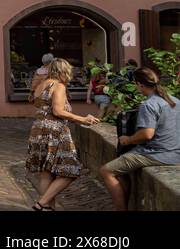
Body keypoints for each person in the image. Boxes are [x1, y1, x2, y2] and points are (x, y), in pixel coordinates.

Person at [98, 67, 180, 210]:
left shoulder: (148, 104)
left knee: (107, 171)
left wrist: (128, 139)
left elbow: (147, 134)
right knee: (122, 169)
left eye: (136, 84)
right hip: (175, 151)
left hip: (158, 154)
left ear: (140, 84)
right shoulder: (175, 100)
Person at [27, 58, 98, 210]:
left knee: (47, 171)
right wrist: (82, 119)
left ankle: (47, 208)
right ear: (63, 71)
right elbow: (58, 111)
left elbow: (36, 103)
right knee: (70, 171)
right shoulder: (58, 86)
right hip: (54, 131)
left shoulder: (41, 85)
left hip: (38, 130)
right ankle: (41, 204)